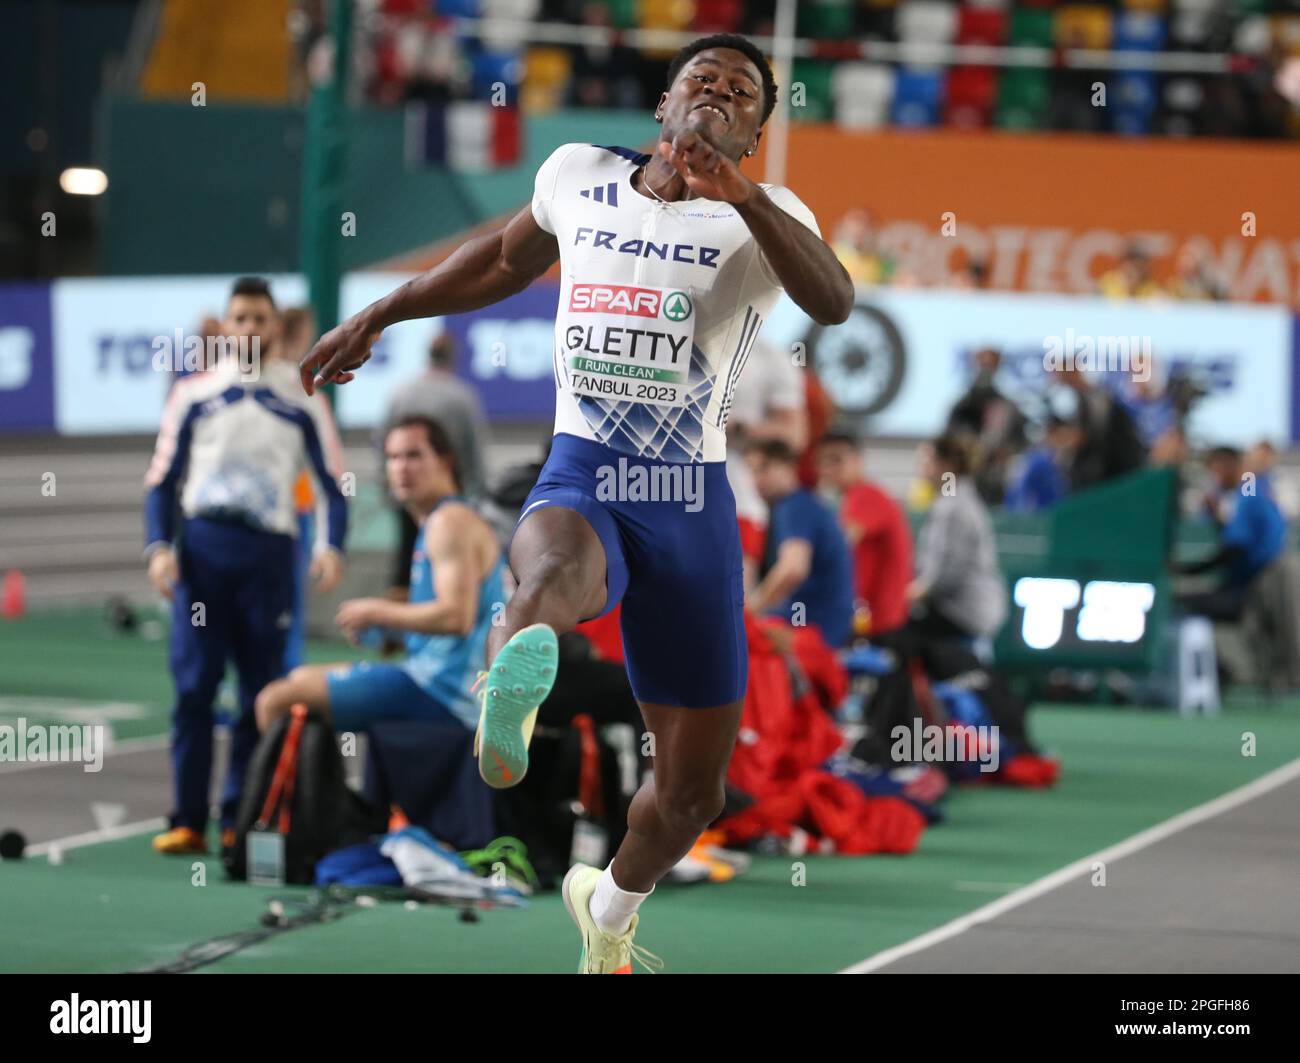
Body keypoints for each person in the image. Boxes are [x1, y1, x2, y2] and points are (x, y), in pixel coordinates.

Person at [299, 33, 853, 972]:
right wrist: (380, 312)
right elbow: (503, 261)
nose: (718, 93)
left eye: (742, 93)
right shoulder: (575, 175)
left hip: (689, 495)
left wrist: (748, 200)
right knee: (551, 571)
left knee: (689, 795)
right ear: (664, 106)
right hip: (587, 462)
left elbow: (834, 300)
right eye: (701, 80)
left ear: (755, 132)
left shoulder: (765, 215)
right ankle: (505, 692)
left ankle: (608, 913)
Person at [143, 277, 347, 856]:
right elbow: (161, 480)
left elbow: (335, 484)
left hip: (269, 558)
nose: (250, 328)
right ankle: (188, 818)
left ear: (276, 328)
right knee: (193, 689)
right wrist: (159, 547)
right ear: (226, 327)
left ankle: (242, 816)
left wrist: (329, 547)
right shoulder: (193, 394)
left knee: (260, 692)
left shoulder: (304, 395)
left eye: (260, 318)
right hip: (203, 555)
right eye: (241, 318)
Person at [256, 417, 506, 735]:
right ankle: (320, 786)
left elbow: (457, 618)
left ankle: (280, 787)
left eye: (413, 456)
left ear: (446, 461)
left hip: (445, 693)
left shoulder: (449, 522)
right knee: (297, 681)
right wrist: (390, 631)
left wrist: (377, 611)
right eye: (393, 458)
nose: (401, 468)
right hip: (436, 680)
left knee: (276, 699)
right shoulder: (440, 521)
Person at [383, 331, 489, 595]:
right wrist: (476, 493)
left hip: (419, 495)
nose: (403, 463)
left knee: (408, 559)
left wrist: (389, 485)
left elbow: (383, 441)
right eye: (397, 459)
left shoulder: (403, 392)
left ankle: (407, 617)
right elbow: (475, 451)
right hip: (452, 490)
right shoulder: (462, 397)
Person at [745, 438, 855, 647]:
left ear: (789, 467)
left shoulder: (794, 507)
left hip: (813, 630)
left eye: (764, 468)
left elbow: (792, 570)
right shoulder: (803, 505)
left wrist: (751, 610)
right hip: (820, 623)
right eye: (751, 471)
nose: (757, 479)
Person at [814, 430, 913, 637]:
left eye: (837, 460)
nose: (828, 469)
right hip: (873, 621)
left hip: (879, 626)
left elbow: (838, 546)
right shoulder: (853, 498)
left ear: (858, 459)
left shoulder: (865, 496)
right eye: (823, 462)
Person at [1176, 445, 1288, 622]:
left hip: (1252, 592)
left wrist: (1189, 570)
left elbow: (1237, 548)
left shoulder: (1248, 490)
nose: (1213, 479)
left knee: (1176, 605)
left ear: (1223, 467)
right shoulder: (1251, 488)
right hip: (1256, 588)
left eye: (1213, 471)